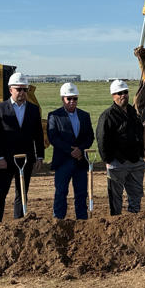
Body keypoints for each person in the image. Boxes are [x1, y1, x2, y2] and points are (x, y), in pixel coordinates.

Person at [0, 72, 45, 221]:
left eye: (24, 89)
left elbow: (38, 135)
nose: (22, 93)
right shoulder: (0, 108)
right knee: (1, 192)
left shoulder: (33, 110)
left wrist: (40, 156)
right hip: (5, 159)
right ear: (10, 90)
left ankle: (19, 222)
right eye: (18, 89)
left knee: (22, 192)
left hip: (26, 159)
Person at [96, 79, 145, 215]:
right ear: (113, 96)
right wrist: (108, 160)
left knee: (136, 194)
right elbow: (102, 139)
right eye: (119, 93)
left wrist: (141, 154)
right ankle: (116, 221)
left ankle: (134, 220)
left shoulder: (133, 113)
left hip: (135, 161)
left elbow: (140, 132)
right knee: (116, 197)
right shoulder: (107, 116)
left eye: (125, 92)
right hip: (117, 163)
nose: (123, 95)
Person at [47, 82, 95, 219]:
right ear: (63, 99)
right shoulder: (54, 116)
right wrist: (70, 151)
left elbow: (89, 136)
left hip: (80, 162)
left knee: (81, 193)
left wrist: (80, 150)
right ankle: (59, 220)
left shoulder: (84, 116)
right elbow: (53, 138)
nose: (72, 102)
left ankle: (82, 220)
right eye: (69, 99)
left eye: (75, 98)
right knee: (61, 192)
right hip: (63, 162)